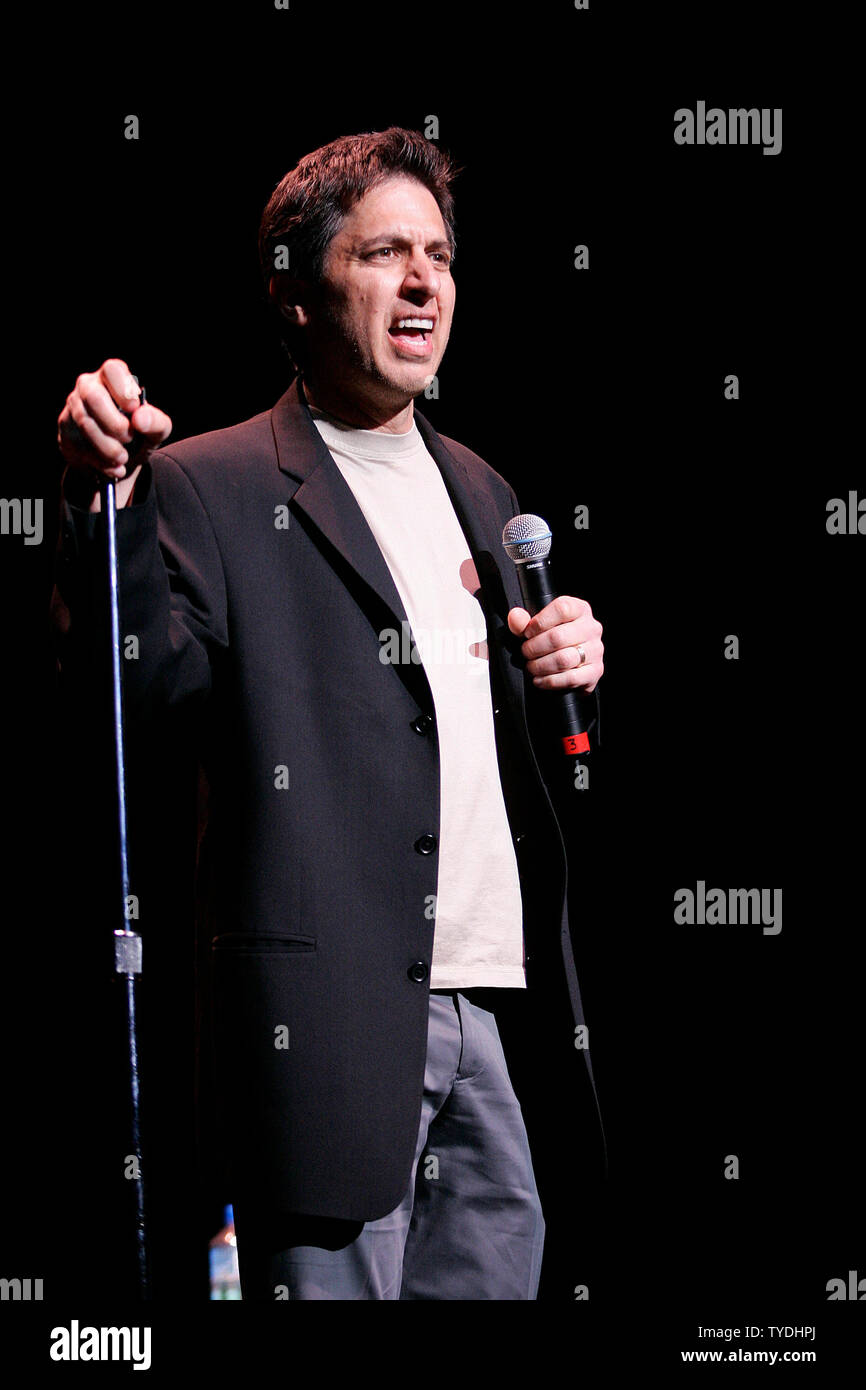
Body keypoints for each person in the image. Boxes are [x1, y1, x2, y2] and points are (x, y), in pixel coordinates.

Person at [53, 126, 606, 1301]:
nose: (423, 282)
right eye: (384, 254)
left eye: (440, 256)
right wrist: (98, 507)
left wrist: (565, 669)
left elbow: (498, 760)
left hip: (495, 1007)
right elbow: (137, 694)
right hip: (323, 1025)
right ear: (296, 291)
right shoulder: (211, 482)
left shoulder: (483, 489)